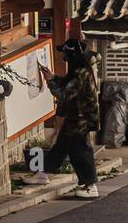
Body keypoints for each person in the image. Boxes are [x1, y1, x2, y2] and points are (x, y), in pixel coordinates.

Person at [38, 39, 101, 198]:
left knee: (81, 151)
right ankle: (43, 174)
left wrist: (51, 81)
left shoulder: (80, 73)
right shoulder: (79, 70)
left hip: (81, 119)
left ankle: (91, 186)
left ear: (71, 54)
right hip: (76, 117)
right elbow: (67, 83)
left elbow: (64, 94)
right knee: (61, 147)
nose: (63, 57)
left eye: (65, 54)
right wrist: (53, 77)